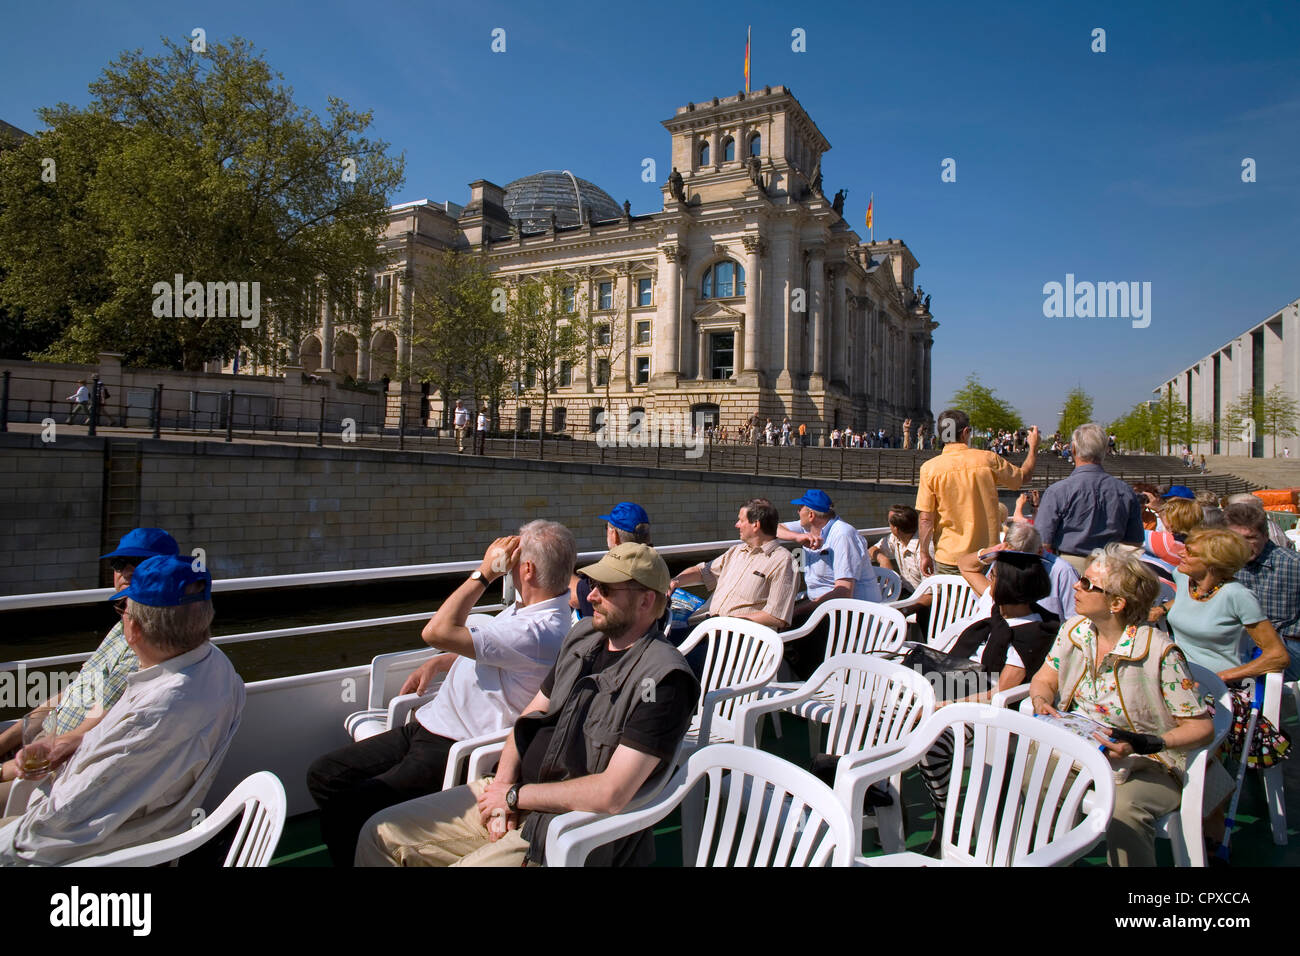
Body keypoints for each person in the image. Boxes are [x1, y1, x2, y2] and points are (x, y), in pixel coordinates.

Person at [355, 543, 700, 866]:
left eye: (606, 590)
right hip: (512, 794)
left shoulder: (663, 681)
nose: (591, 596)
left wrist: (514, 797)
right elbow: (531, 714)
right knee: (378, 833)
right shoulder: (584, 639)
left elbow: (612, 793)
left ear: (645, 602)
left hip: (563, 829)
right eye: (593, 584)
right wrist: (503, 786)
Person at [306, 521, 576, 866]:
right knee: (324, 775)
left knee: (347, 811)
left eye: (513, 559)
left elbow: (435, 631)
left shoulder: (539, 630)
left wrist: (484, 574)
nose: (505, 564)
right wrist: (444, 661)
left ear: (526, 569)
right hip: (427, 725)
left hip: (451, 746)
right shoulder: (530, 609)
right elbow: (501, 654)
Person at [0, 555, 244, 865]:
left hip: (96, 849)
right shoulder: (219, 668)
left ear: (133, 629)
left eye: (123, 609)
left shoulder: (151, 713)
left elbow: (52, 829)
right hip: (142, 822)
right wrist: (76, 742)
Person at [1029, 544, 1221, 867]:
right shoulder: (1075, 631)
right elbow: (1044, 680)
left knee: (1121, 808)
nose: (1076, 586)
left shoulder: (1159, 652)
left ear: (1116, 603)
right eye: (1081, 579)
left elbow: (1202, 728)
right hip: (1085, 750)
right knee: (1030, 774)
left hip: (1150, 762)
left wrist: (1145, 743)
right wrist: (1041, 700)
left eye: (1088, 584)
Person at [0, 528, 181, 800]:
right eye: (120, 564)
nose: (126, 572)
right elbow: (77, 689)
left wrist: (4, 769)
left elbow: (92, 733)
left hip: (52, 771)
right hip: (40, 743)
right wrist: (8, 739)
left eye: (141, 564)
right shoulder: (122, 623)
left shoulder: (153, 646)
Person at [1151, 527, 1289, 683]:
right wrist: (1162, 609)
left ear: (1213, 562)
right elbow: (1190, 602)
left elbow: (1278, 656)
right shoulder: (1183, 577)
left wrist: (1219, 678)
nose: (1181, 553)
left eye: (1190, 552)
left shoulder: (1238, 596)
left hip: (1224, 687)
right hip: (1180, 677)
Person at [916, 408, 1040, 575]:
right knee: (985, 599)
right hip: (985, 555)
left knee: (952, 600)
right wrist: (1033, 448)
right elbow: (1023, 477)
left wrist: (924, 554)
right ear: (966, 432)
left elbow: (926, 519)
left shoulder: (929, 468)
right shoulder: (988, 459)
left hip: (949, 556)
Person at [668, 499, 798, 632]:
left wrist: (730, 622)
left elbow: (777, 617)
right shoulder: (736, 551)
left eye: (741, 521)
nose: (737, 525)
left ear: (755, 525)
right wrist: (675, 581)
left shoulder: (783, 561)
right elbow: (703, 571)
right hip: (704, 627)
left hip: (735, 638)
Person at [1034, 424, 1145, 574]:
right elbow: (1135, 541)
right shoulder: (1125, 491)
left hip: (1068, 568)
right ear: (1105, 450)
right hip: (1111, 568)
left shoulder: (1057, 491)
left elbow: (1042, 542)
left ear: (1073, 449)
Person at [1224, 502, 1300, 681]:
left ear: (1266, 536)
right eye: (1236, 538)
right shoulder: (1223, 563)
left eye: (1250, 538)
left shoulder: (1292, 564)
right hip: (1237, 640)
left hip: (1286, 643)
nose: (1243, 545)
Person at [570, 502, 652, 619]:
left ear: (614, 535)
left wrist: (562, 564)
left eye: (606, 529)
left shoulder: (610, 576)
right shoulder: (654, 567)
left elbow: (574, 597)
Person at [1004, 520, 1078, 621]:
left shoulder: (1063, 572)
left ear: (1040, 551)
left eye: (1026, 560)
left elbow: (1074, 619)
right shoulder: (1002, 564)